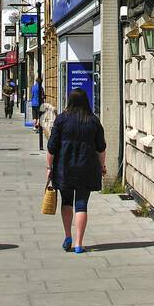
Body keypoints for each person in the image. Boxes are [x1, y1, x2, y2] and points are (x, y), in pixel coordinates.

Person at [46, 89, 106, 254]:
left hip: (64, 167)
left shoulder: (62, 120)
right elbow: (101, 148)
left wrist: (49, 167)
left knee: (66, 202)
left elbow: (52, 147)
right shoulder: (93, 121)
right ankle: (79, 243)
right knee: (81, 204)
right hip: (87, 167)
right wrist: (102, 166)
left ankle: (67, 236)